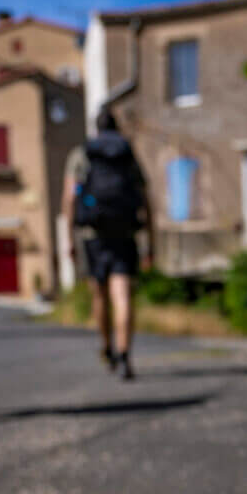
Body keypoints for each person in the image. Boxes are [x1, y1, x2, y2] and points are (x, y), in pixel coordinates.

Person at [61, 108, 154, 381]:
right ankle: (125, 354)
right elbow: (146, 199)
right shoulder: (127, 154)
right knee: (122, 296)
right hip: (125, 233)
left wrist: (69, 239)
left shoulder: (82, 154)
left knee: (99, 295)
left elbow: (69, 198)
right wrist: (150, 242)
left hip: (94, 234)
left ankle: (107, 347)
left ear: (96, 128)